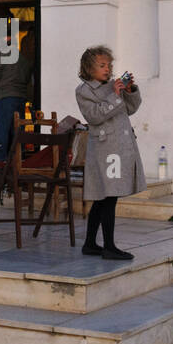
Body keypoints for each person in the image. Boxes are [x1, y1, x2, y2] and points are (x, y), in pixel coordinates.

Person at [74, 45, 145, 260]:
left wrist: (129, 90)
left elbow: (131, 108)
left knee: (103, 197)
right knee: (109, 196)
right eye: (102, 65)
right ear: (88, 67)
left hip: (121, 147)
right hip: (106, 150)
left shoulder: (113, 86)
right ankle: (109, 246)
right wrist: (114, 95)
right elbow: (95, 116)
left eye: (109, 65)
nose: (107, 69)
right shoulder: (84, 90)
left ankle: (90, 244)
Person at [0, 29, 34, 165]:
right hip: (20, 98)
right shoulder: (22, 58)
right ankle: (17, 161)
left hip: (4, 97)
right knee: (17, 130)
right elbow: (28, 78)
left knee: (1, 129)